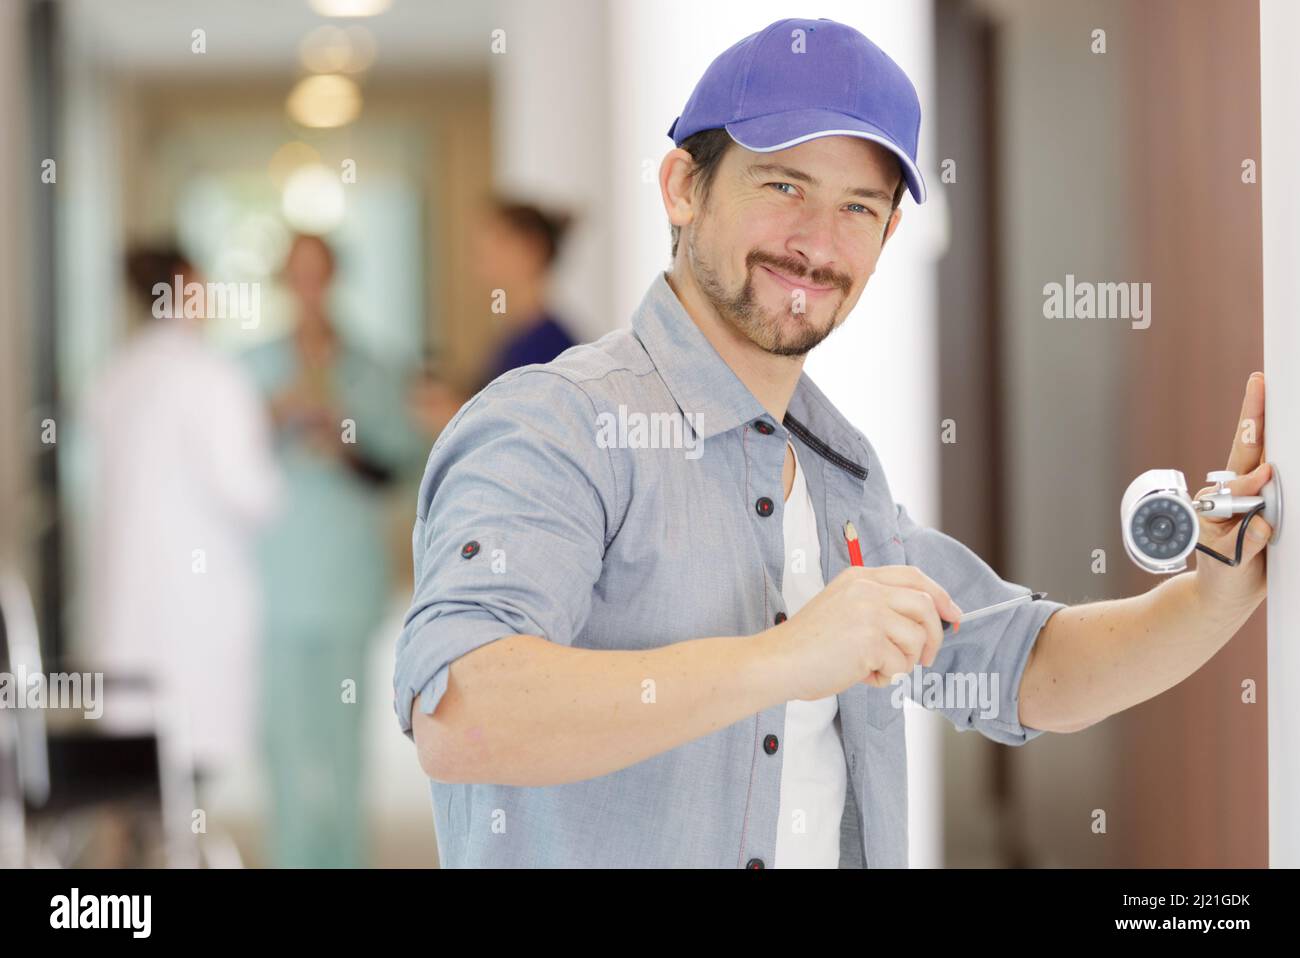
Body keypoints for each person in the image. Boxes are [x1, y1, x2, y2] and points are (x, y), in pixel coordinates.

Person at [393, 18, 1272, 868]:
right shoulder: (555, 425)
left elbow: (1024, 670)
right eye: (784, 186)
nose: (816, 243)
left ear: (889, 235)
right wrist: (784, 657)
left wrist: (1214, 598)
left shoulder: (839, 475)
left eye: (858, 206)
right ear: (683, 188)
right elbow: (463, 711)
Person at [80, 245, 282, 833]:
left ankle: (144, 859)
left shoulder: (116, 374)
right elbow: (252, 493)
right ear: (186, 287)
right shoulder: (212, 376)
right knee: (187, 762)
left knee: (142, 761)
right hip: (196, 607)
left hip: (130, 608)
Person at [244, 233, 425, 868]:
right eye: (298, 275)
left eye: (319, 274)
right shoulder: (252, 369)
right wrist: (272, 419)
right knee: (286, 745)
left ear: (335, 279)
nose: (309, 289)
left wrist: (344, 443)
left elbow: (404, 464)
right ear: (283, 282)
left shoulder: (374, 367)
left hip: (347, 582)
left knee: (345, 746)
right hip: (277, 582)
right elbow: (225, 470)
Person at [408, 198, 578, 435]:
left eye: (494, 246)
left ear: (531, 250)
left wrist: (455, 416)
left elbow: (525, 436)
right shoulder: (512, 339)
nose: (481, 261)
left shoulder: (551, 347)